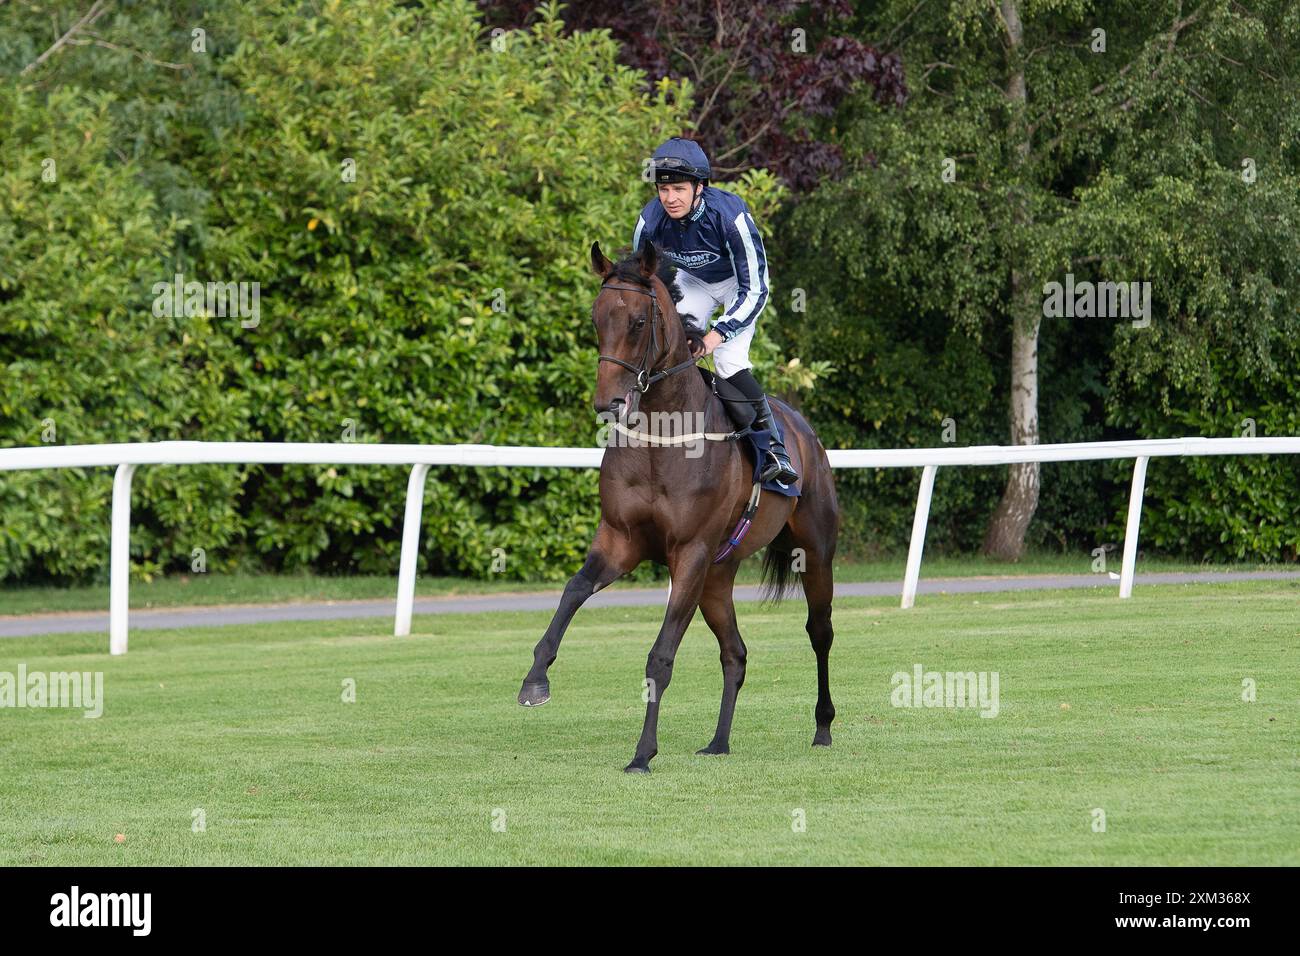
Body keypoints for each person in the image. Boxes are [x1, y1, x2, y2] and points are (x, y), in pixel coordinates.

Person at [631, 136, 799, 485]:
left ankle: (773, 449)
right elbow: (642, 281)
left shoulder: (731, 216)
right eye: (663, 190)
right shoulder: (649, 222)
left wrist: (715, 336)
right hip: (693, 283)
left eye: (678, 189)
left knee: (727, 360)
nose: (670, 199)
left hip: (739, 286)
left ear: (699, 187)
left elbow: (757, 288)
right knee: (669, 347)